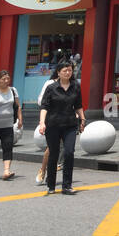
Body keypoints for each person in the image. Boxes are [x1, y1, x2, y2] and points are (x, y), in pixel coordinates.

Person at [38, 60, 84, 195]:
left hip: (70, 124)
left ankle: (67, 185)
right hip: (53, 124)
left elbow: (79, 105)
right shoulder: (51, 88)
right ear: (58, 72)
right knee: (54, 154)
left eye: (70, 70)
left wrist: (82, 119)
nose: (68, 73)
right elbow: (44, 107)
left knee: (69, 153)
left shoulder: (75, 86)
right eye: (65, 70)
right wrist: (42, 123)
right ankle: (51, 184)